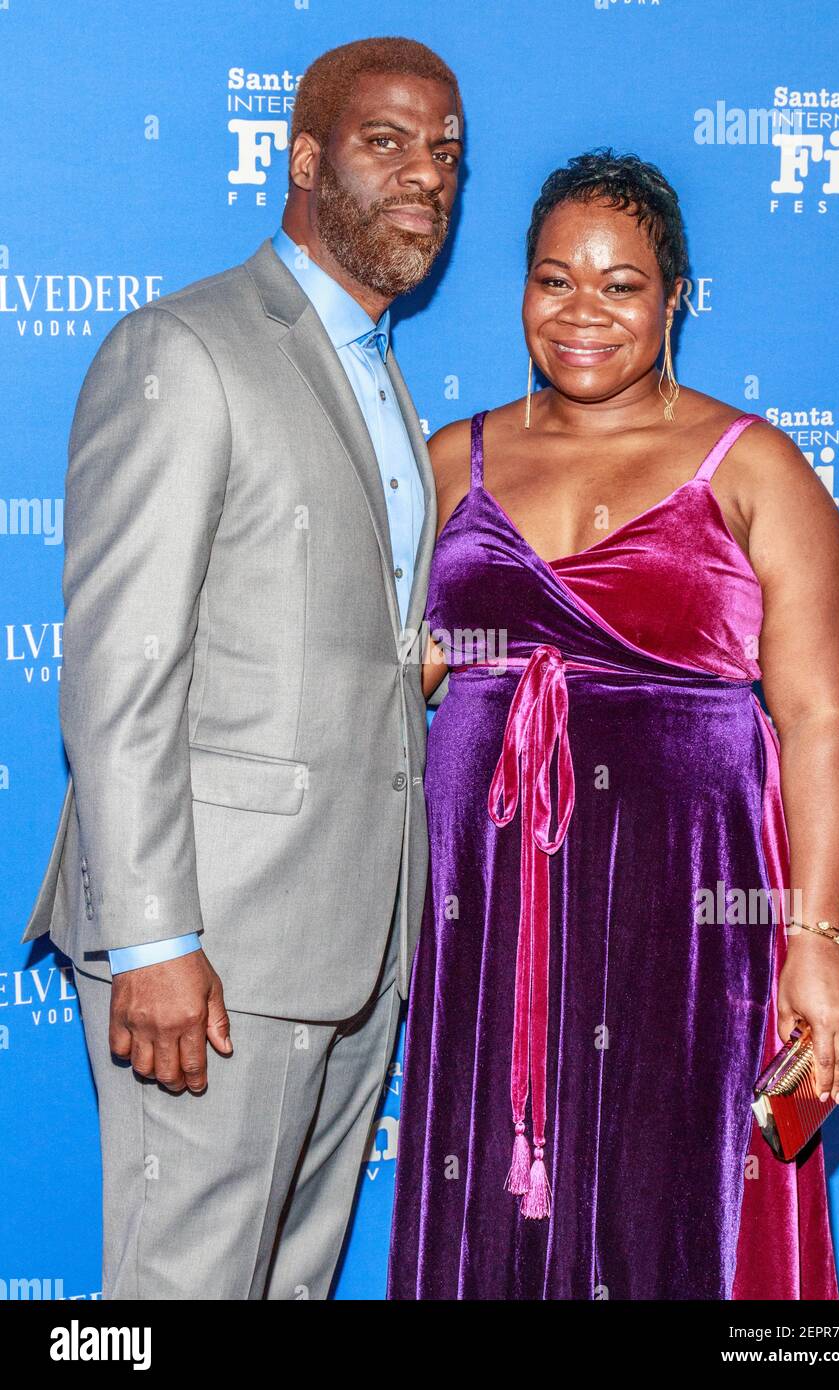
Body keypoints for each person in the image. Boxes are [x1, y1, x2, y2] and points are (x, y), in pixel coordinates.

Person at [21, 36, 463, 1300]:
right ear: (305, 157)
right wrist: (158, 938)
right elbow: (121, 671)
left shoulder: (382, 378)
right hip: (212, 951)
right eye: (387, 142)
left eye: (444, 153)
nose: (423, 176)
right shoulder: (187, 347)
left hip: (351, 940)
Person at [387, 148, 839, 1300]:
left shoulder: (753, 466)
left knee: (668, 1185)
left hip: (689, 895)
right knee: (491, 1177)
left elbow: (815, 722)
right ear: (521, 291)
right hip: (489, 895)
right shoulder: (456, 459)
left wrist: (815, 936)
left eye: (621, 284)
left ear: (674, 298)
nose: (582, 312)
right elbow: (393, 685)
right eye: (555, 280)